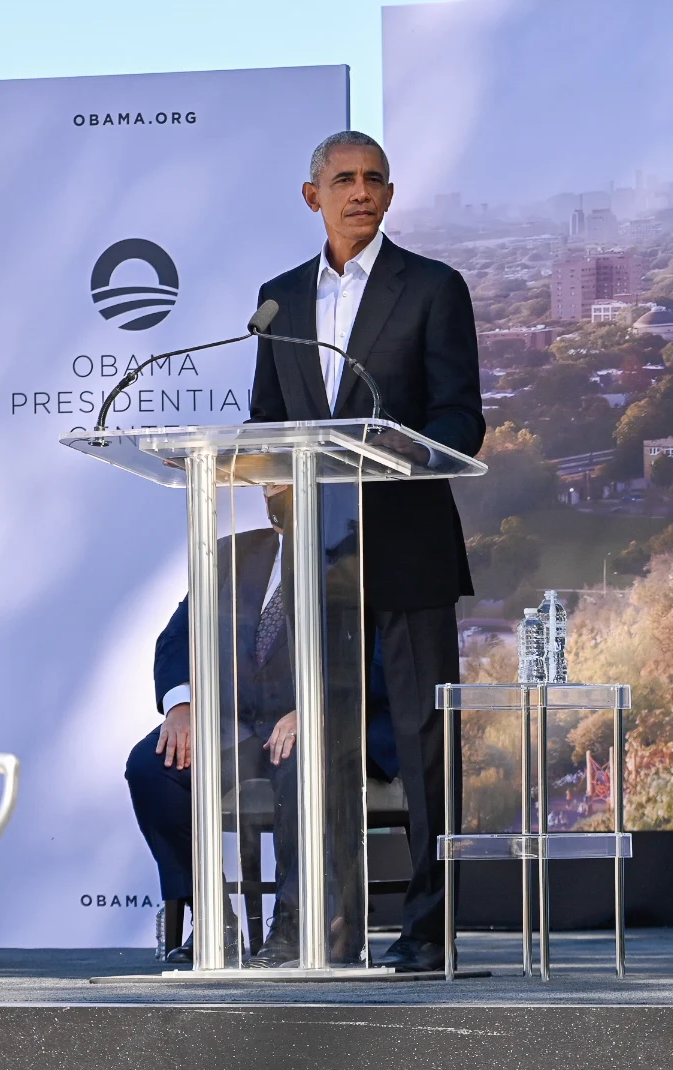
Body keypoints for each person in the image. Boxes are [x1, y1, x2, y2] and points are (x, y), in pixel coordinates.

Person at [248, 130, 485, 972]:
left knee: (425, 744)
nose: (360, 191)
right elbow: (266, 426)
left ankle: (429, 930)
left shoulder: (431, 288)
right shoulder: (277, 302)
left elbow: (462, 414)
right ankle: (319, 929)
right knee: (314, 742)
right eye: (343, 179)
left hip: (409, 547)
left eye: (374, 179)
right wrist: (273, 480)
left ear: (390, 194)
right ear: (312, 194)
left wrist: (406, 450)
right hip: (321, 558)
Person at [125, 486, 403, 964]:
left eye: (287, 480)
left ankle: (296, 922)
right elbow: (177, 637)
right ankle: (213, 918)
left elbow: (379, 661)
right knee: (152, 770)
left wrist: (316, 708)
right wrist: (182, 706)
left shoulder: (360, 555)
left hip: (323, 723)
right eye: (270, 482)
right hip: (235, 723)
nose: (278, 491)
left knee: (304, 760)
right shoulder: (233, 552)